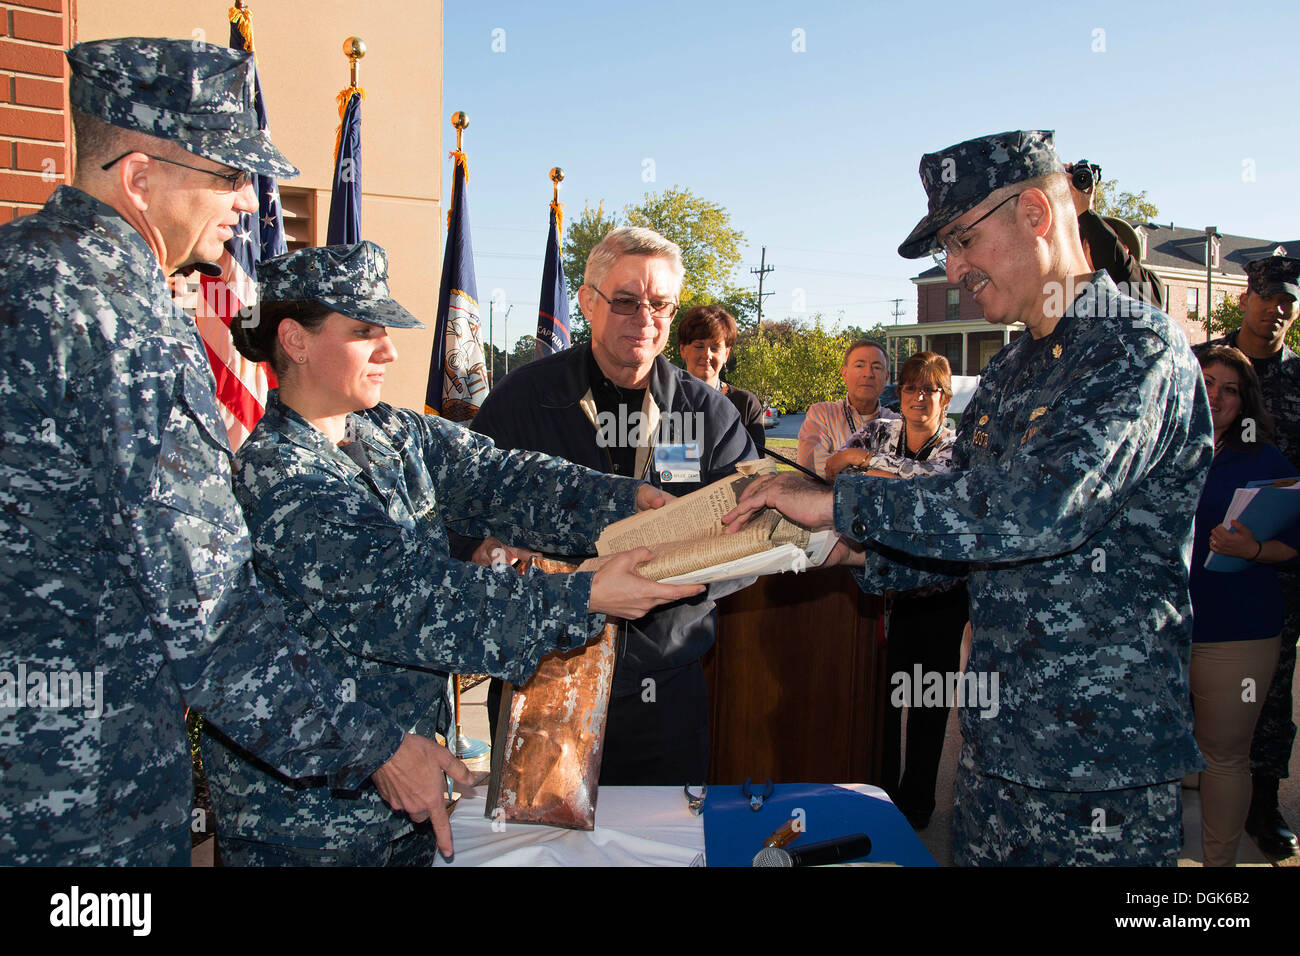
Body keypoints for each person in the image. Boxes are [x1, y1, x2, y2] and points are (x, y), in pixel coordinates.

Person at [0, 38, 462, 866]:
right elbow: (206, 611)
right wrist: (380, 746)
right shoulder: (119, 319)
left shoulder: (21, 272)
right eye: (226, 173)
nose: (250, 201)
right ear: (139, 178)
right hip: (77, 803)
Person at [724, 130, 1211, 865]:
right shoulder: (1014, 368)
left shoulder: (1133, 348)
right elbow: (961, 530)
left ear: (1036, 215)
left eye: (961, 239)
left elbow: (1039, 508)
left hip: (1099, 766)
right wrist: (834, 548)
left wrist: (843, 503)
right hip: (995, 750)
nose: (953, 270)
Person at [203, 242, 697, 865]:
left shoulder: (390, 432)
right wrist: (585, 596)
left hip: (406, 796)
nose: (389, 351)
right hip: (311, 819)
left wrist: (633, 504)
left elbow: (505, 478)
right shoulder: (280, 476)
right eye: (364, 332)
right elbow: (409, 597)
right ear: (296, 341)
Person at [473, 226, 758, 785]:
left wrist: (678, 576)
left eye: (660, 304)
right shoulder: (522, 401)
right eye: (626, 301)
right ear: (587, 302)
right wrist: (489, 552)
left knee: (663, 846)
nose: (644, 318)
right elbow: (459, 523)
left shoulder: (709, 415)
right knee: (538, 847)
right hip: (542, 676)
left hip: (663, 686)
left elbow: (749, 537)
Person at [825, 351, 968, 831]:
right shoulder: (880, 432)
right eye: (910, 388)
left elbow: (938, 492)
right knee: (881, 700)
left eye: (930, 390)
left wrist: (871, 469)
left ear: (945, 399)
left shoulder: (958, 445)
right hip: (881, 589)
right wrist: (870, 464)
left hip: (939, 595)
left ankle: (918, 803)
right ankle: (881, 794)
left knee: (927, 703)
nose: (918, 397)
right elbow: (834, 466)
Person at [1195, 255, 1300, 857]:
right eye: (1206, 385)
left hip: (1248, 613)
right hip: (1165, 619)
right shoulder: (1161, 451)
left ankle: (1244, 840)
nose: (1216, 397)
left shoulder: (1264, 456)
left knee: (1241, 738)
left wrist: (1257, 547)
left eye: (1229, 390)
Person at [798, 339, 899, 480]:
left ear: (886, 377)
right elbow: (810, 466)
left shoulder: (896, 422)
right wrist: (881, 474)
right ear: (844, 374)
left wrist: (844, 460)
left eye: (876, 367)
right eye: (859, 366)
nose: (868, 374)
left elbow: (909, 471)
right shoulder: (823, 414)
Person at [678, 304, 765, 451]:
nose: (707, 355)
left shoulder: (746, 404)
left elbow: (756, 466)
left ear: (726, 354)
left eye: (715, 348)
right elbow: (668, 467)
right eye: (699, 346)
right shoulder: (664, 399)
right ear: (683, 350)